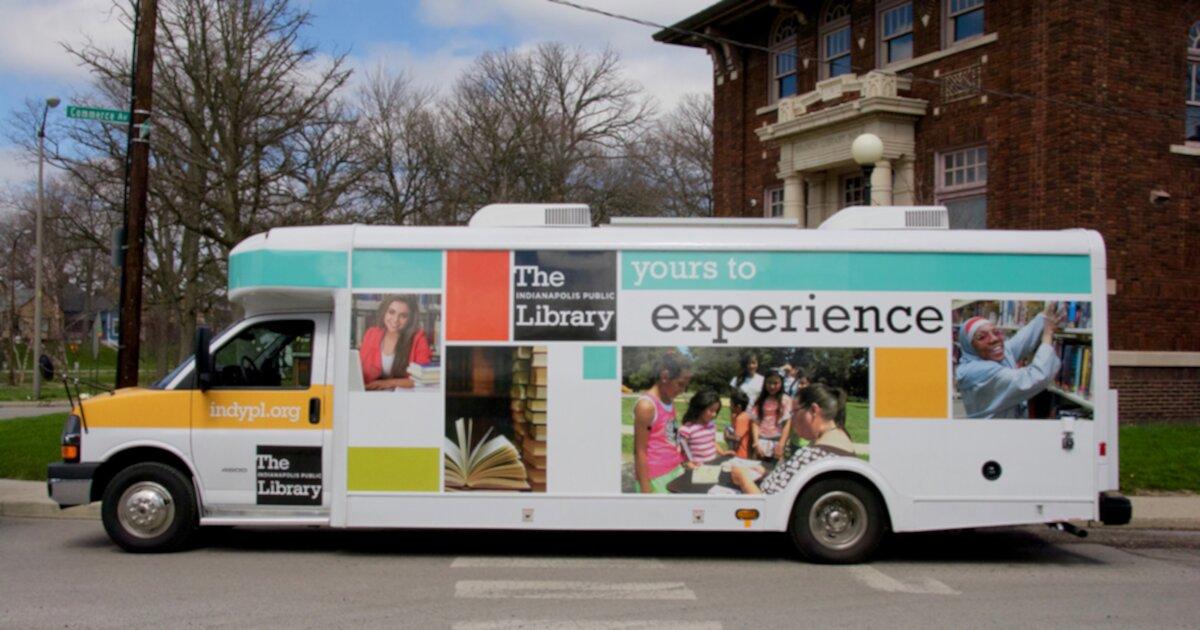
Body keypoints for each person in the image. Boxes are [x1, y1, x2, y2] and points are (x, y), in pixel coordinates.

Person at [731, 383, 855, 495]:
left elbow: (769, 504)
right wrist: (768, 475)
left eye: (794, 412)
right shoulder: (842, 441)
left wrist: (743, 479)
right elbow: (794, 483)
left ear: (813, 410)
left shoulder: (811, 456)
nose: (792, 418)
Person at [956, 303, 1062, 418]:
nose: (994, 339)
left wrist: (1046, 314)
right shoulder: (976, 372)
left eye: (996, 332)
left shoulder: (991, 354)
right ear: (969, 346)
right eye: (982, 337)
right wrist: (1048, 335)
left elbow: (1022, 340)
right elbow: (1036, 376)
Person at [633, 351, 692, 493]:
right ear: (665, 376)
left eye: (685, 386)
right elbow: (639, 451)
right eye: (680, 384)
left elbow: (672, 437)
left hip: (675, 469)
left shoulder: (669, 400)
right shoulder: (646, 406)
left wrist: (685, 460)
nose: (682, 390)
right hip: (655, 477)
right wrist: (645, 488)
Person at [359, 295, 433, 390]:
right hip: (371, 393)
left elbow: (423, 379)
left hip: (404, 399)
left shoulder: (418, 339)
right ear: (384, 312)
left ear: (410, 319)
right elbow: (360, 371)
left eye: (403, 316)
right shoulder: (372, 334)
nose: (395, 320)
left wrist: (385, 383)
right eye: (391, 312)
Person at [678, 389, 730, 466]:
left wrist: (723, 453)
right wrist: (687, 463)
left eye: (716, 411)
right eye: (711, 410)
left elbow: (712, 442)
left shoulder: (711, 425)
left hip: (712, 465)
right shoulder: (687, 429)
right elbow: (681, 451)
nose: (714, 414)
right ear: (700, 408)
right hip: (696, 469)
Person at [752, 371, 792, 460]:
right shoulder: (760, 399)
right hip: (761, 440)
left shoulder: (785, 400)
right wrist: (756, 442)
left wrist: (781, 443)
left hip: (777, 441)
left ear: (781, 383)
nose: (772, 386)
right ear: (765, 383)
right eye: (769, 382)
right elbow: (755, 422)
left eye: (776, 383)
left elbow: (787, 423)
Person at [723, 389, 754, 459]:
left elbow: (737, 438)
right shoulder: (746, 416)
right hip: (745, 453)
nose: (729, 406)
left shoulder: (741, 418)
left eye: (731, 404)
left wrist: (727, 435)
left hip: (740, 454)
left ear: (738, 407)